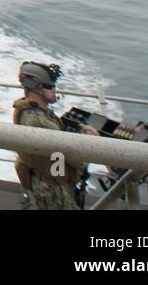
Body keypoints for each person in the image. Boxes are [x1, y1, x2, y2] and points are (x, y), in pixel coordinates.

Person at [11, 60, 97, 210]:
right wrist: (91, 135)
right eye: (50, 87)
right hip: (53, 190)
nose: (54, 90)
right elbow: (78, 160)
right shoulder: (36, 120)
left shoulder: (33, 110)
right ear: (35, 88)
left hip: (49, 181)